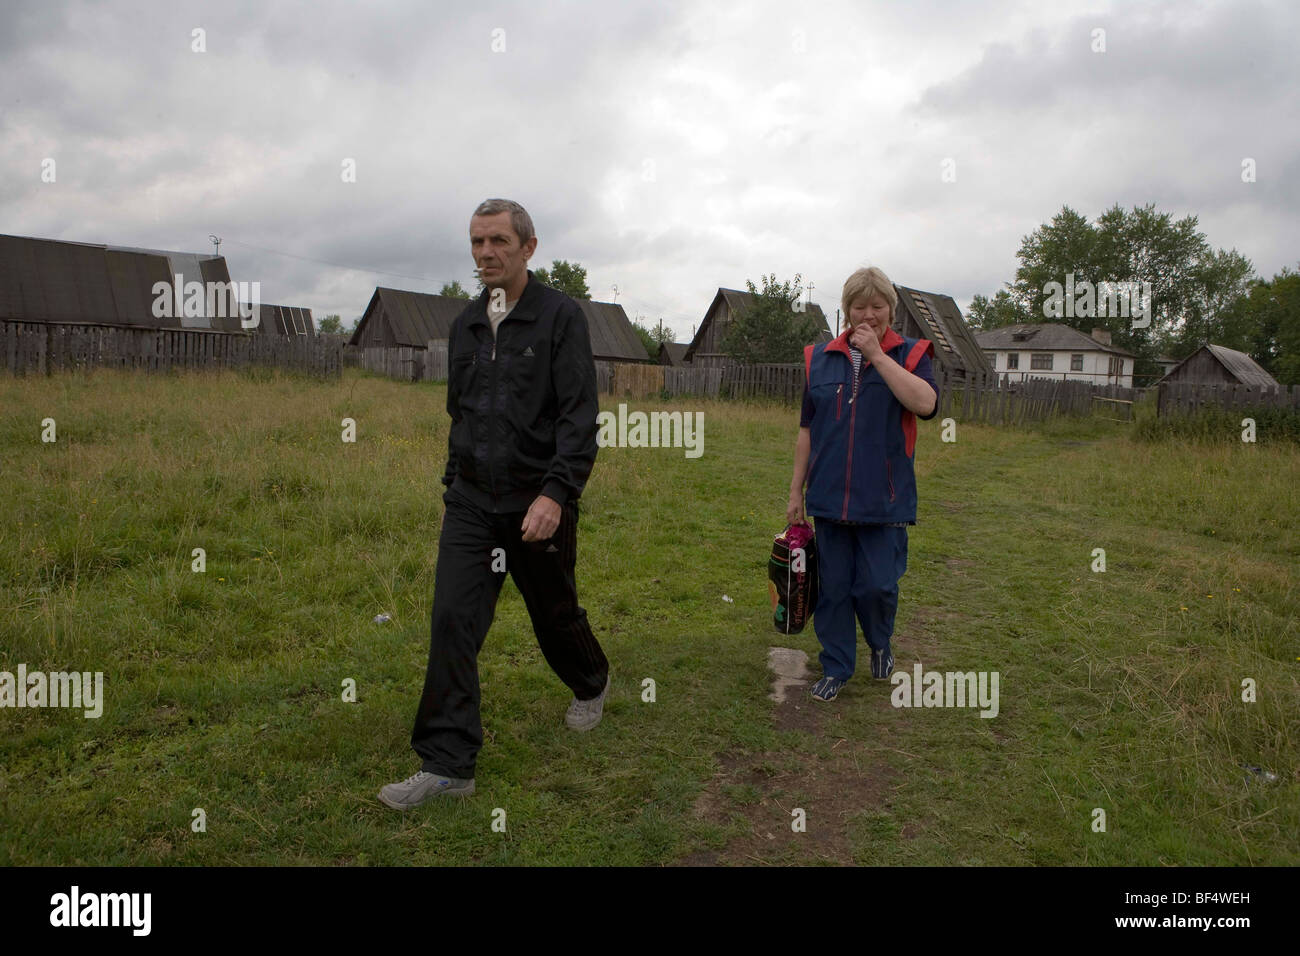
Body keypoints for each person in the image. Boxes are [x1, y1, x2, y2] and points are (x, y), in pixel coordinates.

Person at [380, 198, 610, 809]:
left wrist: (557, 493)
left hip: (539, 505)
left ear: (527, 247)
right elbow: (461, 413)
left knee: (554, 614)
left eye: (499, 242)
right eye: (477, 242)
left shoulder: (561, 318)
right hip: (473, 504)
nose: (486, 253)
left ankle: (591, 682)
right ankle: (448, 764)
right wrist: (453, 484)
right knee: (452, 619)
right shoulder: (465, 325)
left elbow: (579, 416)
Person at [786, 266, 940, 702]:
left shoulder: (912, 355)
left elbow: (926, 404)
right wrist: (796, 490)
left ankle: (879, 641)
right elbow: (806, 431)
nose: (868, 315)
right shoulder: (819, 358)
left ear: (891, 310)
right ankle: (836, 667)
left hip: (884, 501)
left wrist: (876, 356)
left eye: (878, 307)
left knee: (876, 586)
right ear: (846, 310)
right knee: (833, 590)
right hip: (829, 499)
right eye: (860, 306)